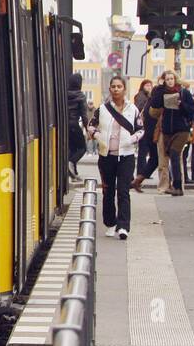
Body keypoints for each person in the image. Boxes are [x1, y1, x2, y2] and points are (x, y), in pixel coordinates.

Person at [89, 75, 141, 239]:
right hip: (107, 156)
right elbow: (91, 126)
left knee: (123, 191)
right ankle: (110, 223)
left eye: (119, 86)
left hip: (126, 156)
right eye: (113, 86)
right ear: (110, 89)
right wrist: (98, 136)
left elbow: (141, 129)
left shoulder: (133, 109)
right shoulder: (102, 109)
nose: (116, 89)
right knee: (108, 191)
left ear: (124, 89)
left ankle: (123, 226)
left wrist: (131, 139)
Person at [151, 70, 194, 197]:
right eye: (167, 79)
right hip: (167, 130)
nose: (170, 81)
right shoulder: (162, 92)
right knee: (169, 156)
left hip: (182, 129)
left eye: (172, 78)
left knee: (175, 154)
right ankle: (173, 186)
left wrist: (181, 105)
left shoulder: (183, 92)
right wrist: (160, 87)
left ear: (175, 79)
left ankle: (178, 186)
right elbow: (154, 104)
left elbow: (193, 110)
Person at [132, 79, 159, 192]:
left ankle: (138, 179)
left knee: (153, 157)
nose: (149, 87)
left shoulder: (148, 98)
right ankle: (139, 176)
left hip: (147, 130)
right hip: (147, 131)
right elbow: (139, 111)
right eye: (147, 85)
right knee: (147, 154)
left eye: (150, 85)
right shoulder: (143, 97)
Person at [66, 72, 88, 181]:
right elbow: (84, 114)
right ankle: (71, 162)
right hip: (74, 124)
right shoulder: (80, 96)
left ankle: (74, 173)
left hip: (65, 126)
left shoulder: (64, 94)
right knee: (82, 148)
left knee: (72, 148)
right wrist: (88, 128)